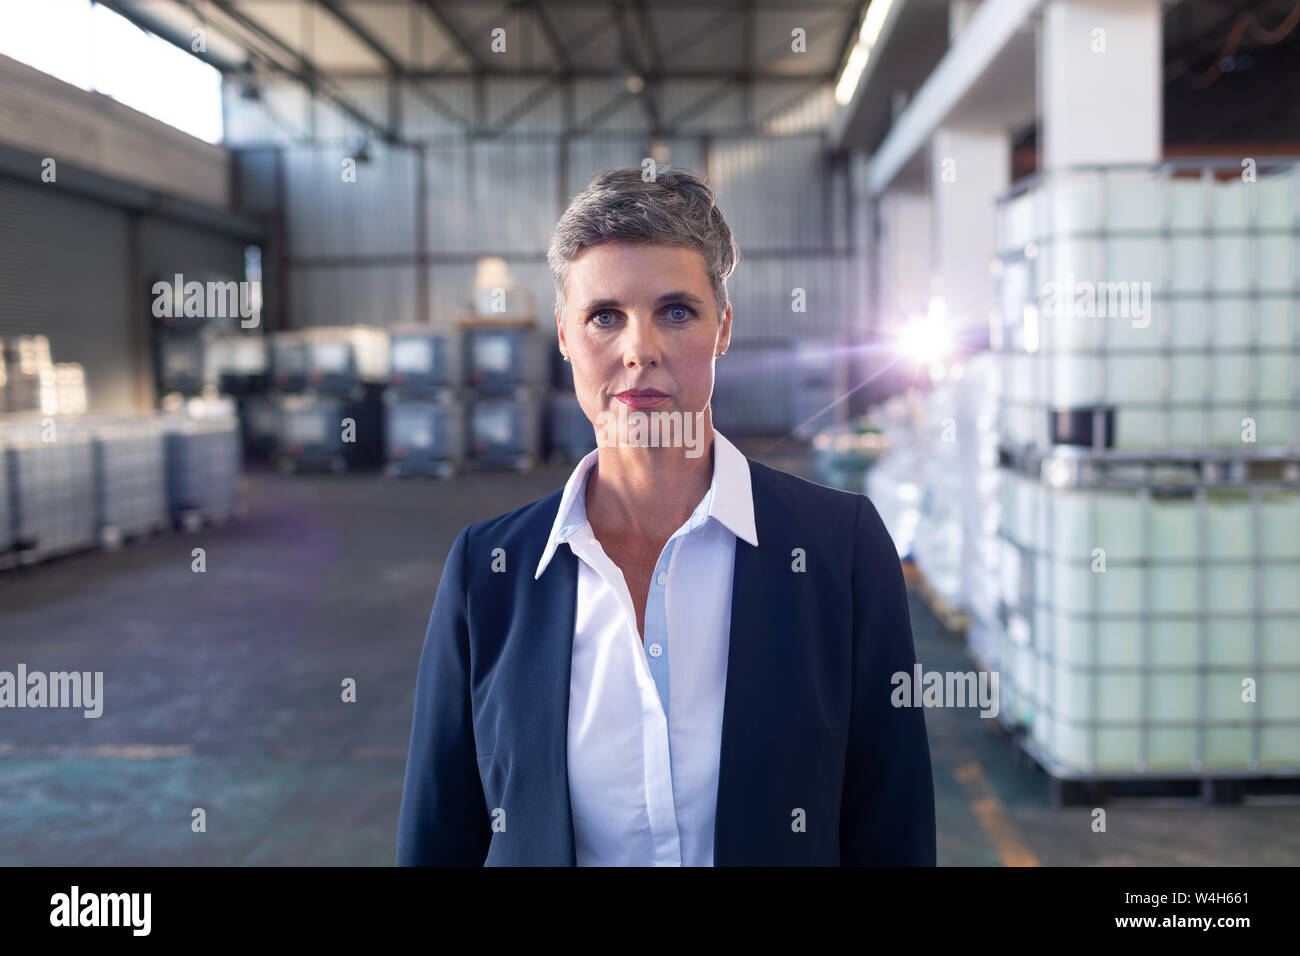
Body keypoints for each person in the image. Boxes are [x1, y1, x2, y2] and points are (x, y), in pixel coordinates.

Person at [396, 167, 936, 866]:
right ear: (563, 336)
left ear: (723, 330)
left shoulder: (841, 551)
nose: (639, 350)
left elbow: (891, 830)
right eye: (604, 316)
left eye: (676, 311)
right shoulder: (487, 575)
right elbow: (439, 840)